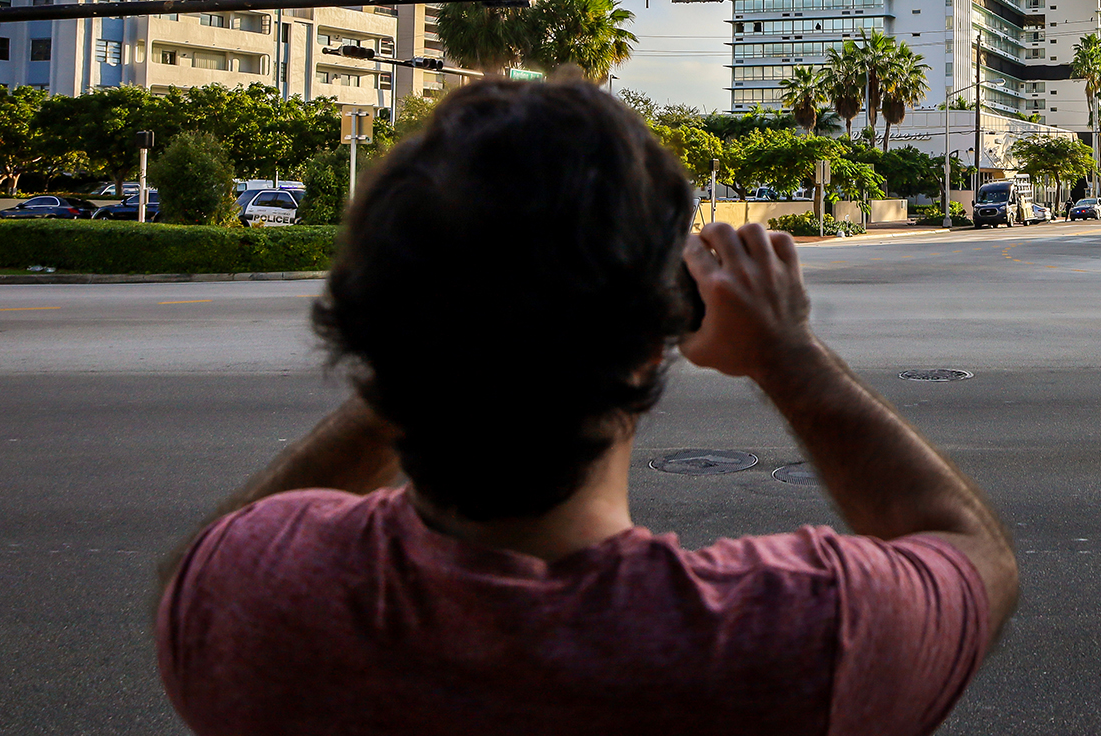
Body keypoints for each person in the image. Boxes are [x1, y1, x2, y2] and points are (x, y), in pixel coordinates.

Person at [154, 80, 1019, 736]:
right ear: (658, 334)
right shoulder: (792, 637)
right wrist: (786, 355)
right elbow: (972, 556)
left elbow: (199, 576)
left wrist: (434, 333)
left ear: (373, 329)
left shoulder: (257, 601)